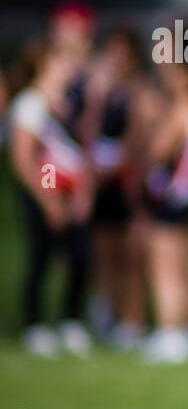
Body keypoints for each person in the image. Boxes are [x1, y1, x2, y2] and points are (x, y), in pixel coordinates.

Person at [8, 44, 93, 357]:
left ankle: (71, 319)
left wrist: (83, 192)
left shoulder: (70, 103)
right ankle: (35, 324)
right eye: (60, 63)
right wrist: (48, 199)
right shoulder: (30, 104)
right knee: (41, 256)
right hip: (45, 193)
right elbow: (25, 157)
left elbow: (81, 153)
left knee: (79, 258)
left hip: (72, 193)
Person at [139, 50, 188, 365]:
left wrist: (150, 120)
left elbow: (157, 150)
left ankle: (171, 334)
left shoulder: (181, 110)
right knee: (183, 267)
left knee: (165, 268)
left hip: (173, 196)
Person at [81, 26, 150, 349]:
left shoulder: (141, 91)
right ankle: (106, 310)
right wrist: (96, 99)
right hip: (100, 177)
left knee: (130, 252)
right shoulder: (98, 88)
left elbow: (139, 136)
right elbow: (86, 131)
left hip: (127, 179)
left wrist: (122, 164)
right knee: (102, 250)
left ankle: (131, 319)